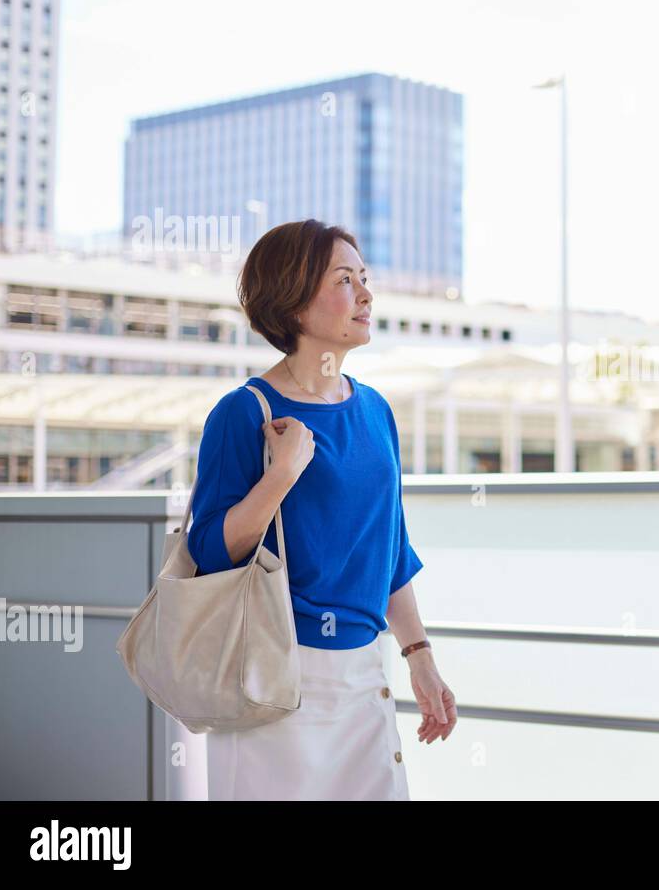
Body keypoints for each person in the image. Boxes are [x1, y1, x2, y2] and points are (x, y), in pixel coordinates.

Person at [186, 218, 456, 799]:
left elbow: (391, 550)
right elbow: (207, 550)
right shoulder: (245, 412)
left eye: (364, 277)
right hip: (274, 675)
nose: (365, 294)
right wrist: (281, 475)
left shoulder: (376, 411)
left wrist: (419, 656)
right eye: (344, 279)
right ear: (296, 303)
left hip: (365, 676)